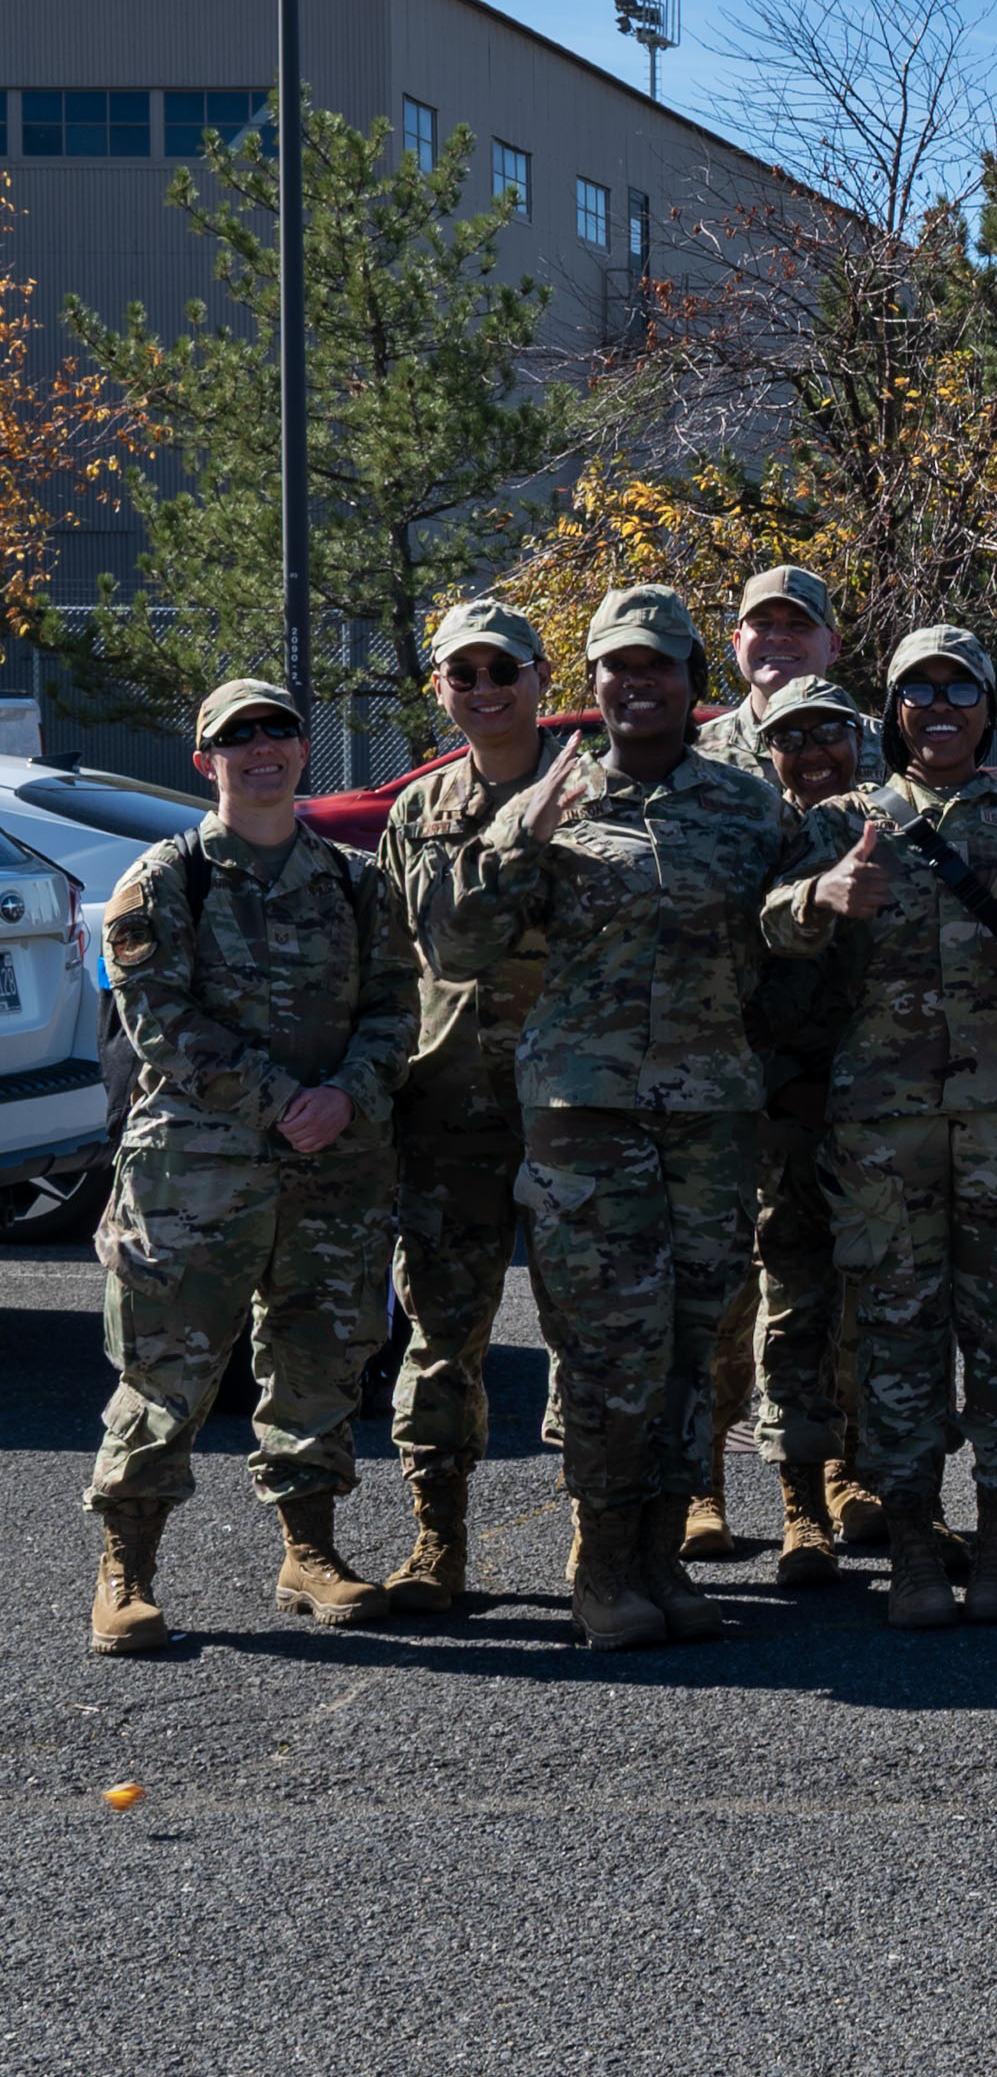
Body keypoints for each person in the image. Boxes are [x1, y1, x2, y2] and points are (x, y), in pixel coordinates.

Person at [443, 585, 802, 1651]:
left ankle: (660, 1557)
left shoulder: (747, 806)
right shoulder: (549, 795)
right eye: (617, 667)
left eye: (658, 665)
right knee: (607, 1347)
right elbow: (457, 950)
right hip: (584, 1116)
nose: (637, 684)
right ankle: (603, 1568)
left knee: (694, 1340)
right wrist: (518, 841)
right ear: (592, 684)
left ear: (695, 679)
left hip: (707, 1115)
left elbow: (780, 949)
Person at [764, 628, 997, 1629]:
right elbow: (766, 927)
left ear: (988, 707)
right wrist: (816, 898)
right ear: (892, 711)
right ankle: (912, 1542)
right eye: (918, 688)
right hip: (879, 1132)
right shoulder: (837, 826)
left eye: (961, 687)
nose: (940, 703)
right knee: (898, 1341)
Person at [83, 679, 418, 1655]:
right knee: (165, 1372)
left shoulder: (357, 885)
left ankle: (308, 1552)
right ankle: (127, 1571)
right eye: (239, 737)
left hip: (334, 1172)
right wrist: (290, 1101)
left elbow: (400, 1007)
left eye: (278, 731)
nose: (261, 748)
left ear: (303, 749)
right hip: (196, 1175)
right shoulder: (165, 881)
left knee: (320, 1360)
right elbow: (164, 1028)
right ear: (207, 761)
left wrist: (349, 1093)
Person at [371, 600, 553, 1613]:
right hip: (450, 1107)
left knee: (593, 1334)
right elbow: (395, 960)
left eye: (501, 669)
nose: (483, 688)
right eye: (462, 673)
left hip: (576, 1106)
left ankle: (601, 1539)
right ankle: (437, 1539)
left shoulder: (593, 791)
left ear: (539, 676)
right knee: (444, 1329)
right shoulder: (418, 809)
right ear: (440, 689)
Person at [703, 676, 874, 1586]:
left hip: (871, 1103)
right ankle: (777, 1499)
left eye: (830, 733)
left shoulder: (881, 820)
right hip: (766, 1105)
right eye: (790, 737)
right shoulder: (743, 828)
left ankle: (851, 1474)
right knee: (767, 1302)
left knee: (863, 1305)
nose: (812, 751)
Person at [692, 564, 877, 776]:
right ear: (737, 643)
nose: (777, 636)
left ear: (833, 646)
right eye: (762, 624)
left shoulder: (888, 750)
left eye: (798, 624)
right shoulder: (697, 757)